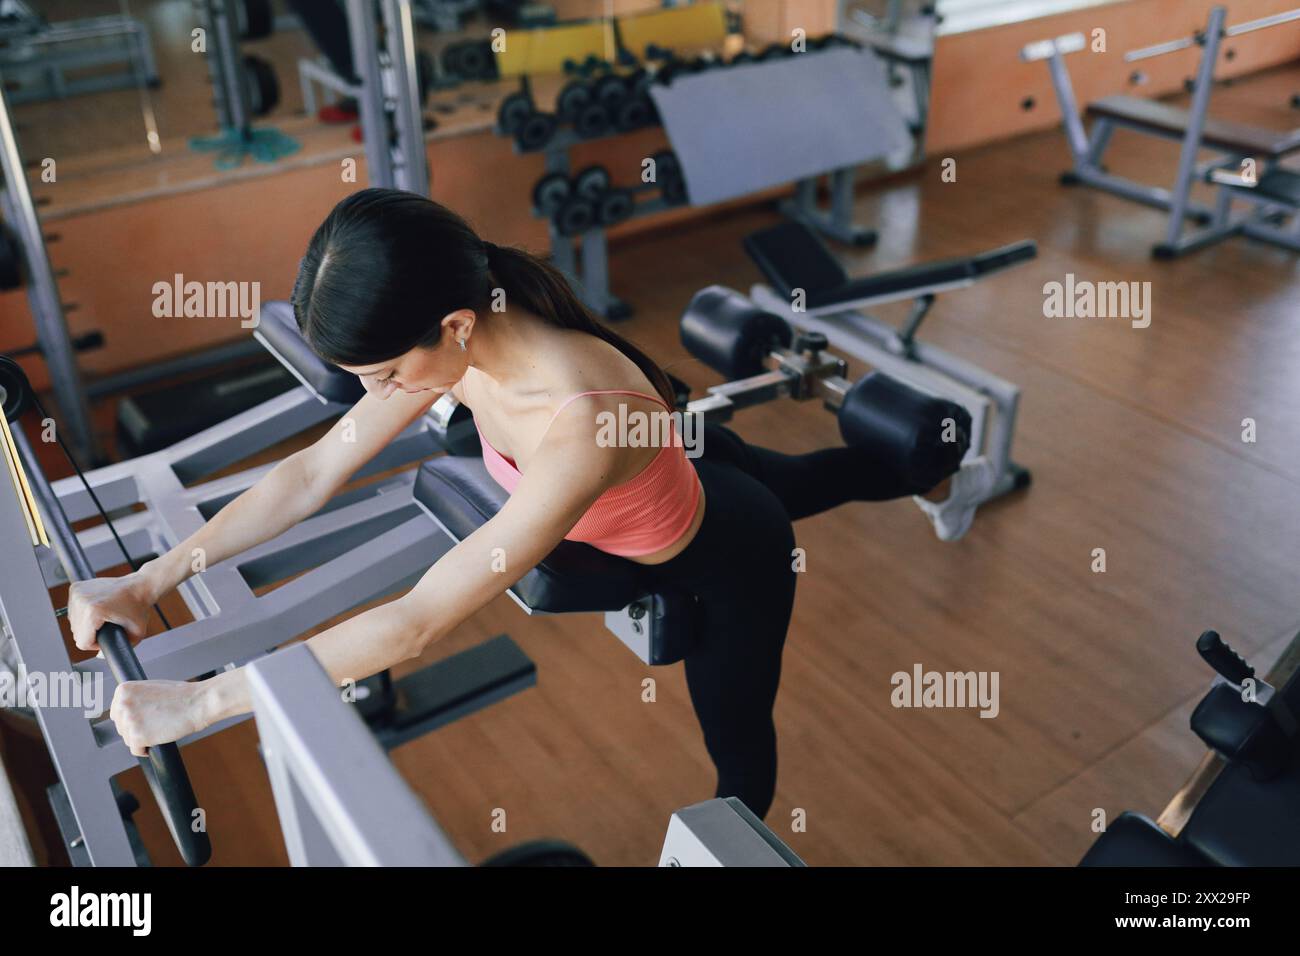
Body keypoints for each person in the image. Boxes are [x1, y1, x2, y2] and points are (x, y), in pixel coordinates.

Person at [66, 189, 994, 820]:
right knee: (799, 477)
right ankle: (934, 473)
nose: (381, 392)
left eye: (387, 373)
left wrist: (204, 705)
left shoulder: (577, 419)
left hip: (722, 550)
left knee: (738, 743)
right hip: (679, 465)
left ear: (454, 327)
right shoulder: (457, 336)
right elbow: (311, 474)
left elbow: (418, 620)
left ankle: (938, 470)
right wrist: (150, 580)